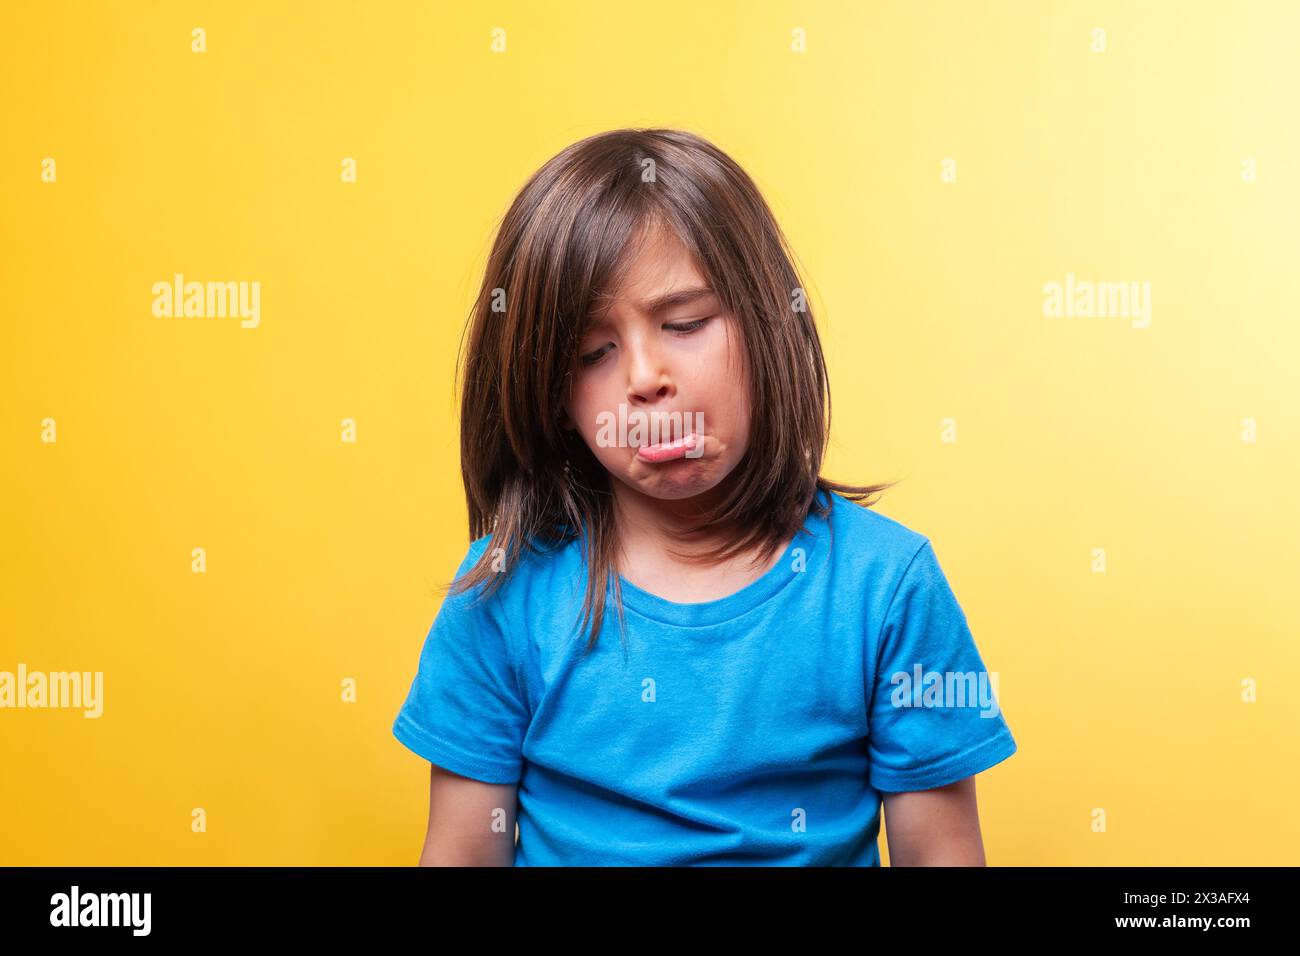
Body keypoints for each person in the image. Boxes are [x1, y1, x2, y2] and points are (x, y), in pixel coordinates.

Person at [392, 127, 1017, 865]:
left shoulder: (888, 587)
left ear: (767, 322)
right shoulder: (501, 596)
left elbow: (941, 855)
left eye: (684, 323)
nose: (644, 377)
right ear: (556, 398)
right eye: (594, 353)